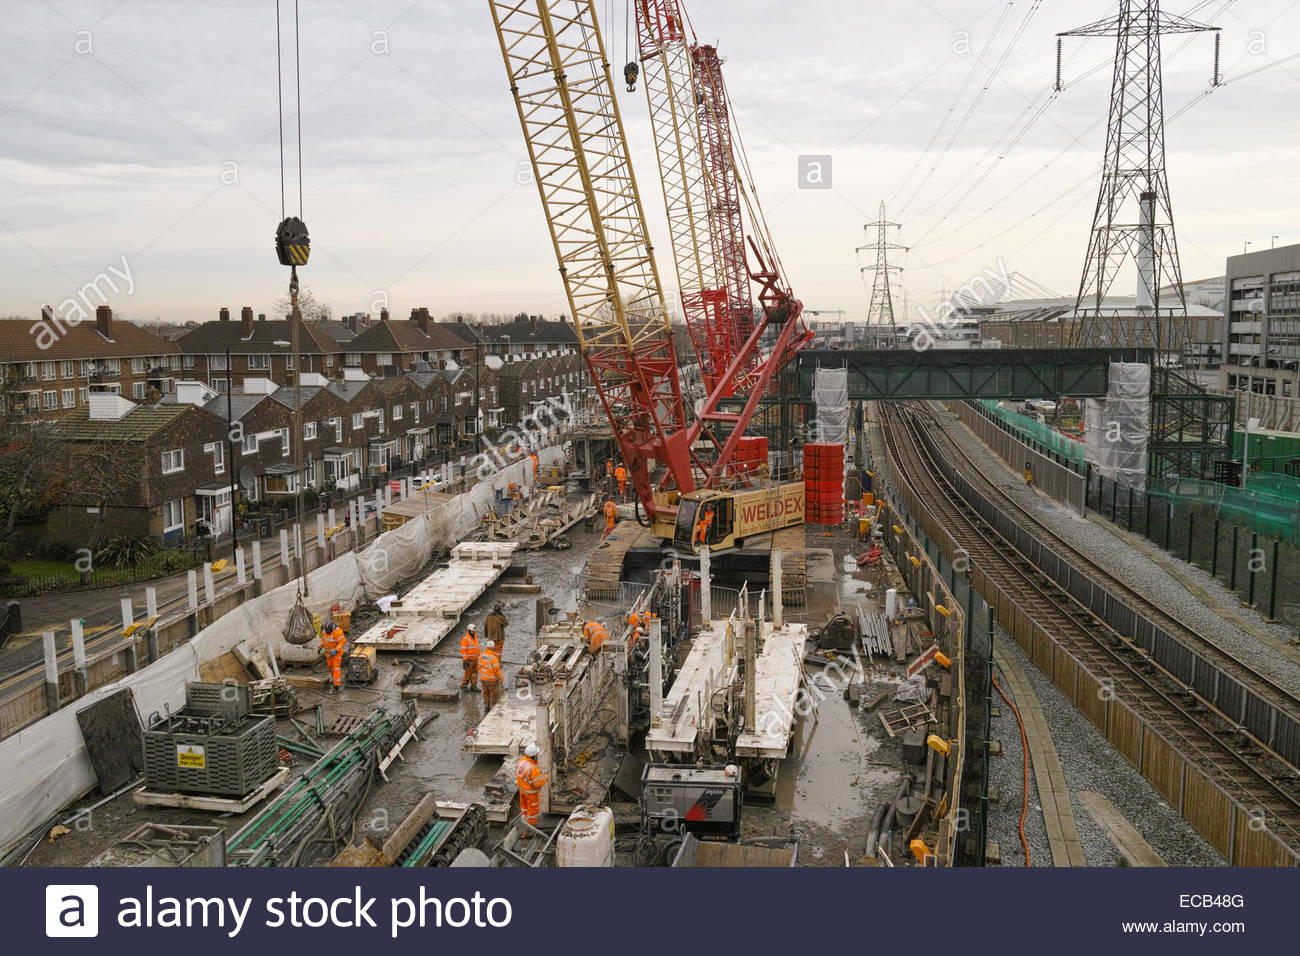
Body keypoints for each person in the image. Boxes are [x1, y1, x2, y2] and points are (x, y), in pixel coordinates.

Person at [516, 743, 549, 827]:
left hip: (522, 791)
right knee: (532, 813)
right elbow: (537, 784)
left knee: (524, 809)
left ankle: (523, 826)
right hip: (531, 794)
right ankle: (530, 829)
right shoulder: (533, 768)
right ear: (533, 756)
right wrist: (545, 777)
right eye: (536, 754)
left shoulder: (521, 761)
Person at [319, 618, 347, 691]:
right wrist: (320, 647)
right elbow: (323, 640)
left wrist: (336, 650)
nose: (327, 632)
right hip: (328, 653)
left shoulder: (338, 632)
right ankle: (334, 678)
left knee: (336, 668)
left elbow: (342, 642)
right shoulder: (324, 631)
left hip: (336, 653)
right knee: (330, 667)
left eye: (328, 631)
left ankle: (337, 684)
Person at [478, 638, 503, 709]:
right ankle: (492, 708)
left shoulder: (481, 656)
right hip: (492, 681)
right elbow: (497, 670)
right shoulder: (493, 658)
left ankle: (486, 706)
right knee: (493, 695)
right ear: (493, 648)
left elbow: (479, 667)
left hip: (483, 680)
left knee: (486, 694)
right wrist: (501, 679)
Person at [459, 623, 480, 691]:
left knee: (475, 673)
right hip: (469, 660)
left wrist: (479, 656)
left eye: (474, 631)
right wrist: (465, 660)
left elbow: (477, 648)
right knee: (468, 673)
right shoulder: (465, 639)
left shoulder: (475, 637)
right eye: (472, 631)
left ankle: (473, 685)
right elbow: (463, 650)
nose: (474, 632)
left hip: (475, 659)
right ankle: (463, 685)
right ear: (469, 631)